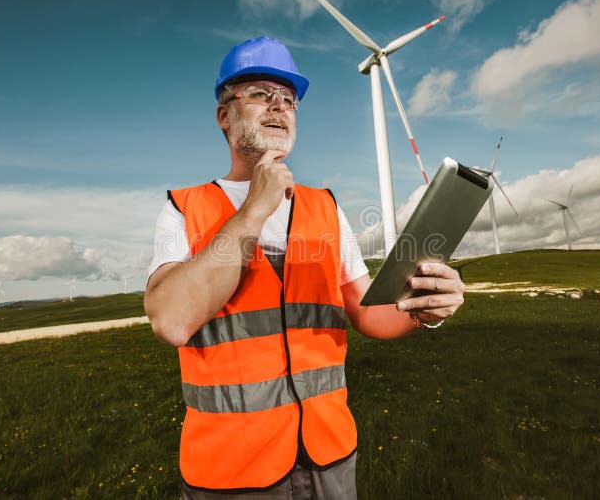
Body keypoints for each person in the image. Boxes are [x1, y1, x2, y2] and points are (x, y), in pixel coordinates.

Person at [144, 36, 465, 499]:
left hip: (328, 457)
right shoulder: (183, 208)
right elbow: (171, 320)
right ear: (223, 115)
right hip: (231, 471)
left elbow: (368, 312)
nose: (279, 106)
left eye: (289, 98)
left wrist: (423, 307)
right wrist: (253, 210)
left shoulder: (325, 208)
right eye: (258, 93)